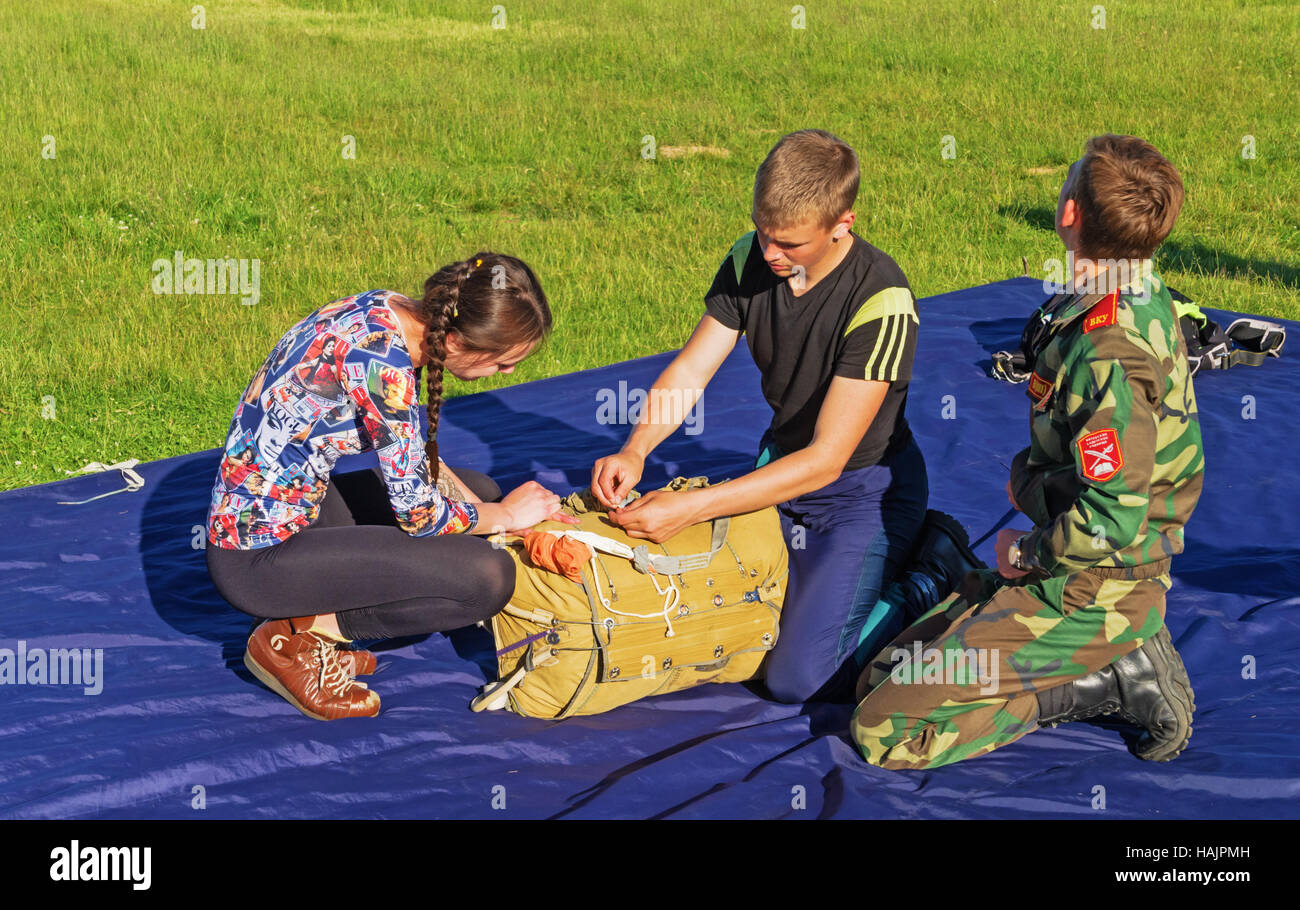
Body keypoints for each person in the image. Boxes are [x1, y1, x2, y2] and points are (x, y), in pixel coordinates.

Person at [590, 129, 979, 704]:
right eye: (763, 234)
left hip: (860, 491)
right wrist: (636, 449)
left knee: (801, 677)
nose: (771, 254)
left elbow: (827, 460)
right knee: (733, 625)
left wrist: (694, 505)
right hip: (779, 473)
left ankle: (932, 571)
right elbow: (693, 370)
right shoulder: (750, 257)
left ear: (842, 223)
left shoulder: (882, 301)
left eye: (790, 244)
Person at [852, 135, 1203, 768]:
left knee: (885, 733)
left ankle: (1101, 680)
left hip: (1091, 585)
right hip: (1078, 566)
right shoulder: (1123, 289)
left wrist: (1027, 552)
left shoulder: (1108, 350)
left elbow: (1115, 515)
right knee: (877, 676)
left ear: (1069, 213)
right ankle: (1079, 645)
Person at [205, 254, 577, 720]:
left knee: (479, 490)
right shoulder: (384, 367)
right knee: (486, 578)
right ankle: (294, 637)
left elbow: (412, 465)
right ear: (457, 340)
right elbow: (418, 516)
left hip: (296, 507)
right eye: (502, 363)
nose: (507, 375)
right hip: (257, 560)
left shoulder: (391, 312)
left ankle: (308, 622)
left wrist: (495, 511)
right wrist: (507, 518)